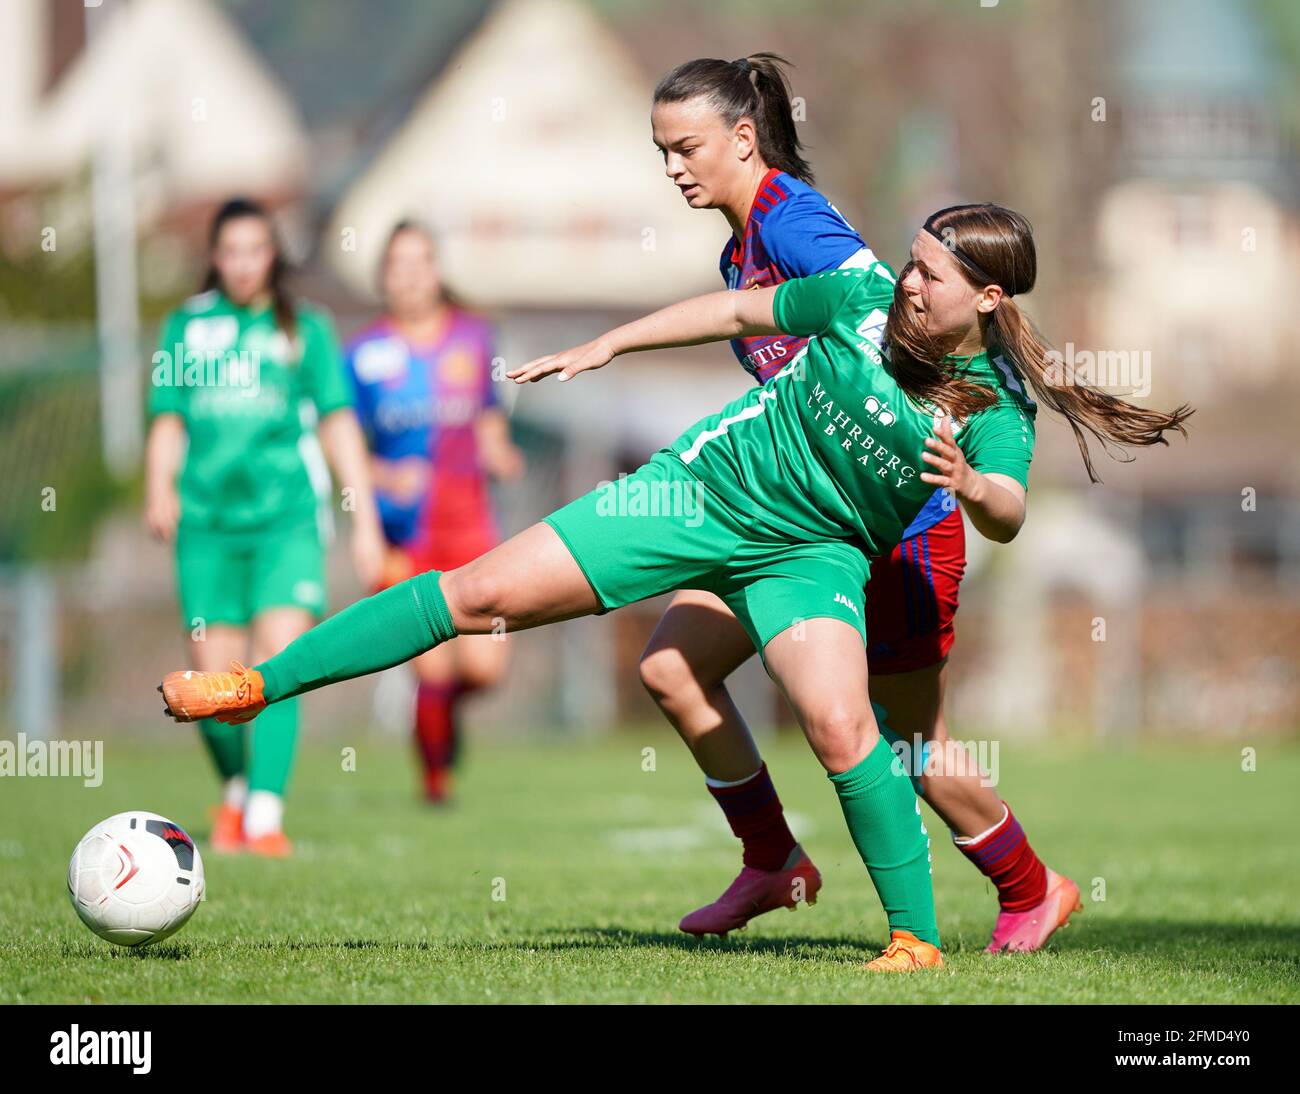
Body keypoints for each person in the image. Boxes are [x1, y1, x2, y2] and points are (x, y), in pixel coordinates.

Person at [160, 204, 1190, 971]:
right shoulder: (858, 299)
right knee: (475, 594)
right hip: (691, 495)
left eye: (930, 276)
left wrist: (970, 485)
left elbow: (1009, 503)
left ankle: (914, 939)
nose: (908, 284)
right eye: (911, 266)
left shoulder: (994, 400)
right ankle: (259, 682)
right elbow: (738, 306)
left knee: (845, 728)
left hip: (813, 555)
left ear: (989, 298)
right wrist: (611, 341)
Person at [646, 55, 1070, 951]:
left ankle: (1032, 888)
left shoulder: (796, 225)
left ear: (743, 139)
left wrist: (972, 454)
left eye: (685, 148)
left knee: (910, 747)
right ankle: (772, 862)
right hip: (795, 516)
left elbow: (884, 315)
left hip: (900, 532)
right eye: (663, 151)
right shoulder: (740, 249)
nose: (674, 167)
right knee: (674, 666)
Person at [145, 197, 385, 857]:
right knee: (211, 684)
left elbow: (338, 423)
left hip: (287, 522)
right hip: (206, 526)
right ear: (215, 258)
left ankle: (264, 816)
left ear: (272, 255)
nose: (244, 264)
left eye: (256, 250)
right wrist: (157, 485)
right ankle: (235, 792)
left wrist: (363, 521)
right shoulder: (186, 330)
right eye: (231, 251)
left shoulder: (305, 327)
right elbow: (168, 415)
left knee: (274, 667)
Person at [345, 221, 524, 804]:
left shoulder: (472, 339)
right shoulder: (364, 354)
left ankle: (441, 717)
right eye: (398, 263)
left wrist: (497, 449)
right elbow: (341, 447)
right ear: (383, 276)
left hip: (470, 524)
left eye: (421, 261)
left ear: (436, 270)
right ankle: (434, 781)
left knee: (485, 669)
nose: (410, 275)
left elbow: (488, 416)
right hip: (407, 533)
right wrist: (382, 476)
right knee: (432, 667)